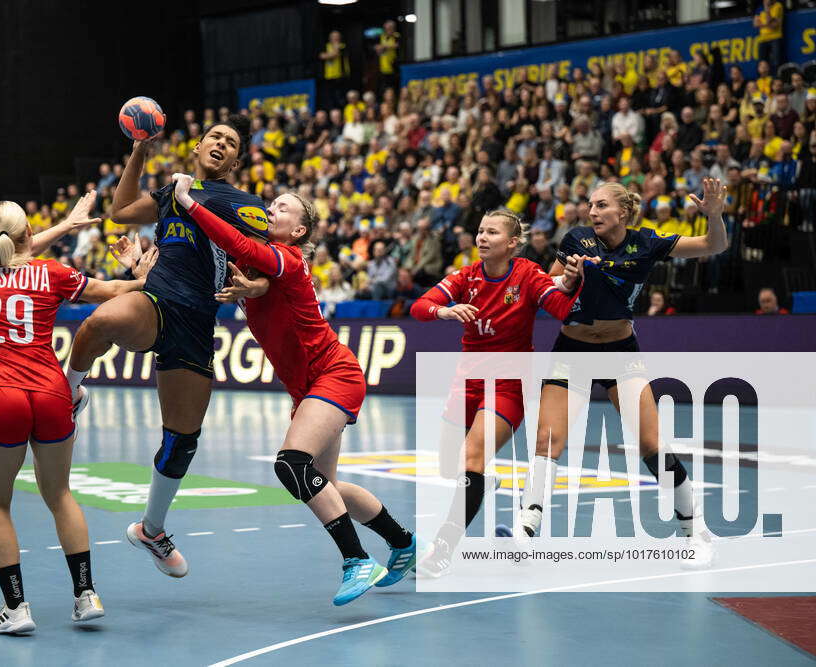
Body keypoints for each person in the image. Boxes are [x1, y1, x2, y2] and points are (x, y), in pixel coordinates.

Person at [172, 173, 420, 605]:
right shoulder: (258, 270)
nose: (272, 209)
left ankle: (356, 560)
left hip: (334, 374)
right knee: (328, 485)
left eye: (283, 208)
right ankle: (402, 543)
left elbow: (246, 247)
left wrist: (189, 202)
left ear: (300, 230)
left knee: (291, 465)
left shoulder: (286, 257)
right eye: (271, 205)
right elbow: (240, 262)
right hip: (307, 388)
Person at [65, 117, 269, 579]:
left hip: (198, 325)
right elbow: (119, 211)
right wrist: (139, 148)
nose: (220, 143)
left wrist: (252, 286)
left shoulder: (244, 204)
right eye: (215, 136)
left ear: (236, 162)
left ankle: (152, 529)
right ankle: (71, 392)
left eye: (230, 143)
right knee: (102, 320)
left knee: (181, 442)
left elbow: (264, 258)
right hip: (156, 300)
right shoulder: (171, 194)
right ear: (198, 146)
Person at [515, 180, 729, 568]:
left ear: (622, 212)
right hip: (572, 351)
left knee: (652, 444)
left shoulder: (646, 243)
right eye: (590, 205)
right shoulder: (576, 240)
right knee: (548, 440)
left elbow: (714, 246)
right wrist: (569, 280)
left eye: (600, 205)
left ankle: (694, 530)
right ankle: (526, 529)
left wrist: (713, 215)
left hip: (619, 353)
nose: (592, 212)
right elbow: (547, 292)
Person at [0, 192, 157, 634]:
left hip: (1, 396)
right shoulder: (53, 274)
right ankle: (86, 595)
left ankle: (16, 609)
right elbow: (111, 291)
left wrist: (65, 228)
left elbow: (13, 250)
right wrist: (142, 277)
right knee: (60, 495)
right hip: (52, 393)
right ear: (29, 234)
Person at [409, 210, 587, 577]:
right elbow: (419, 307)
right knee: (449, 466)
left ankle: (443, 549)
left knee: (472, 458)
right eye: (480, 231)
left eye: (492, 232)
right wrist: (445, 311)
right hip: (466, 381)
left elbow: (561, 308)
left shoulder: (527, 274)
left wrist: (573, 284)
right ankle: (482, 484)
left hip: (508, 385)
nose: (482, 237)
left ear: (511, 243)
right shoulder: (466, 275)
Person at [754, 0, 784, 70]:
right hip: (763, 39)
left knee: (776, 62)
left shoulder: (778, 6)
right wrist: (768, 24)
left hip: (775, 37)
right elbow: (755, 24)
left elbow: (773, 26)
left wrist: (767, 9)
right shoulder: (760, 8)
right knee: (762, 64)